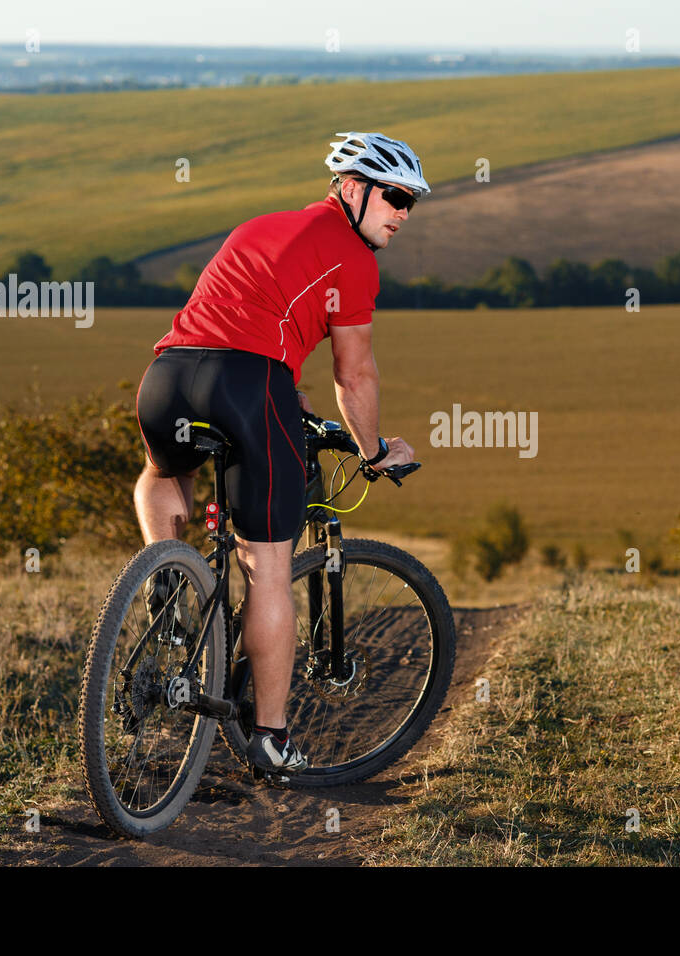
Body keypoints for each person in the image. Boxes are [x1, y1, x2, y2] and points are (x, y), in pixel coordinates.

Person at [133, 132, 429, 774]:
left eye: (412, 202)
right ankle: (270, 737)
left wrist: (288, 401)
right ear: (351, 190)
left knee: (162, 472)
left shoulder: (256, 226)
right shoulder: (354, 260)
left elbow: (243, 315)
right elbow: (355, 377)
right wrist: (374, 450)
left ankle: (169, 581)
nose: (403, 213)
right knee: (268, 567)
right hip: (246, 385)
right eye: (396, 197)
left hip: (166, 378)